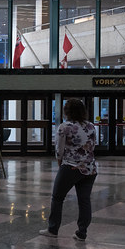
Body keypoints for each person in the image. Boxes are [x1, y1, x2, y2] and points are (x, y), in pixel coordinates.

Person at [41, 98, 96, 241]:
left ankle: (53, 229)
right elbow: (92, 146)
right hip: (90, 169)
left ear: (67, 111)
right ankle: (82, 232)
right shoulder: (91, 126)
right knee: (84, 201)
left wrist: (61, 163)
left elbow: (59, 150)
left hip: (71, 166)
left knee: (57, 197)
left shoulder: (64, 127)